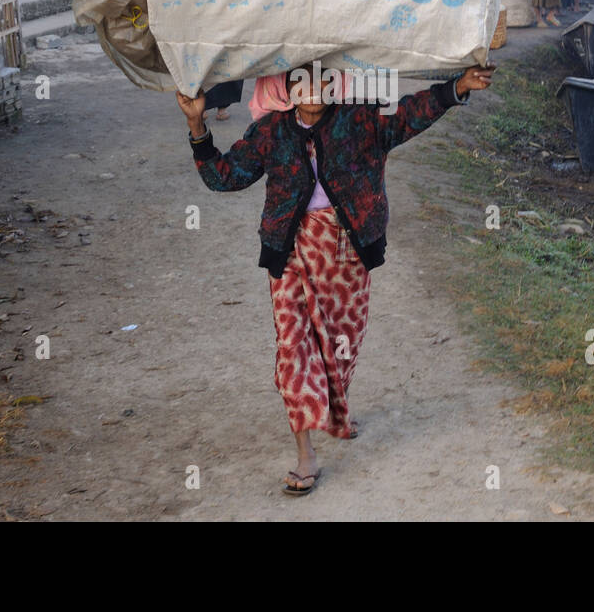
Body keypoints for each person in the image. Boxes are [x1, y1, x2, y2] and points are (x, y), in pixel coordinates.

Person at [177, 61, 495, 495]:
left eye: (322, 77)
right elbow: (222, 177)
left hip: (345, 254)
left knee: (340, 347)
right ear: (287, 86)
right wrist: (197, 123)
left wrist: (458, 85)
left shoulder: (361, 121)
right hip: (289, 251)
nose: (312, 87)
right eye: (300, 78)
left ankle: (334, 400)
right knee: (293, 345)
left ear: (335, 83)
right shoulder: (272, 132)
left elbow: (409, 114)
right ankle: (305, 451)